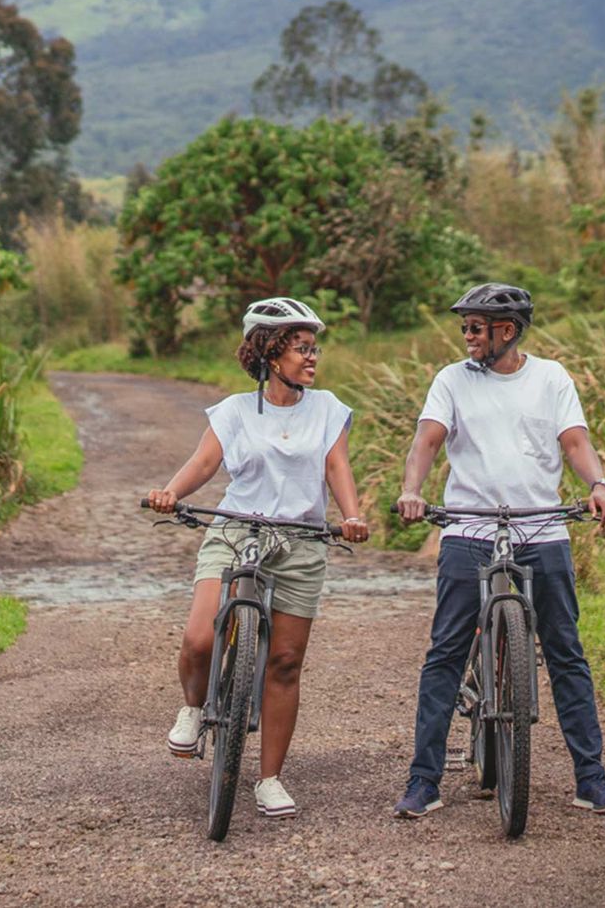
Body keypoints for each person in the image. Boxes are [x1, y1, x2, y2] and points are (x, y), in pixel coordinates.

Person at [392, 282, 605, 818]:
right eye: (466, 327)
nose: (467, 336)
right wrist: (413, 491)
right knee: (446, 652)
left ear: (508, 331)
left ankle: (592, 780)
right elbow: (427, 439)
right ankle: (423, 781)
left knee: (566, 651)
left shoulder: (551, 377)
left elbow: (575, 442)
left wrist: (599, 485)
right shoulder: (451, 380)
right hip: (468, 528)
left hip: (541, 528)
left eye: (476, 327)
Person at [145, 296, 369, 820]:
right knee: (200, 638)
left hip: (302, 539)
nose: (312, 358)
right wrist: (171, 492)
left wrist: (352, 515)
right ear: (270, 353)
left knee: (286, 663)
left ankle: (269, 778)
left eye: (315, 348)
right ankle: (194, 707)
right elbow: (205, 462)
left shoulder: (329, 408)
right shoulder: (234, 411)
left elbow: (336, 466)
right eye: (301, 349)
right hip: (236, 530)